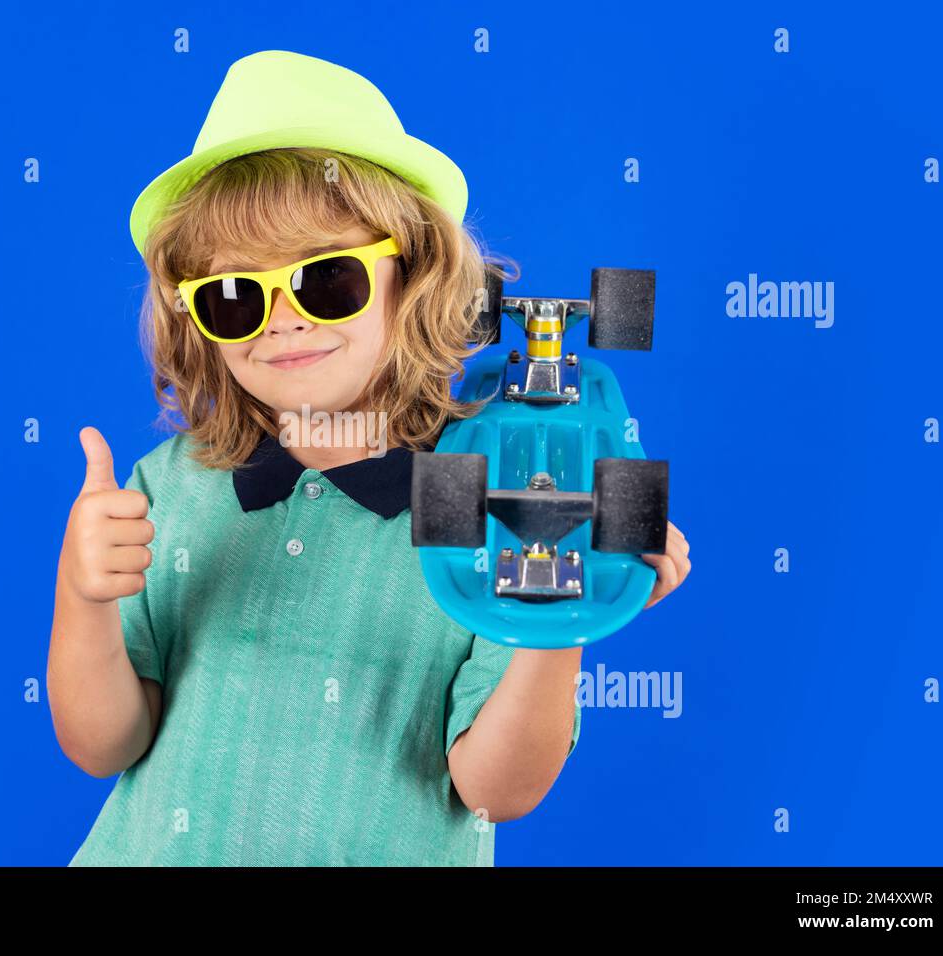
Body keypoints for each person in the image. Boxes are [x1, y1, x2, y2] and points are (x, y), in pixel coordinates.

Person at [48, 50, 691, 866]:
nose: (280, 321)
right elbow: (103, 745)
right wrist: (83, 598)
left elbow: (497, 790)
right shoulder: (167, 488)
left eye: (326, 283)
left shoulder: (496, 502)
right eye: (235, 297)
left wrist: (562, 615)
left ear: (414, 276)